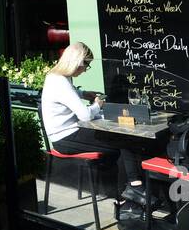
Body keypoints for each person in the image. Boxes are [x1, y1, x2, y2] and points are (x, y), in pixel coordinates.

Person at [40, 42, 139, 196]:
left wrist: (84, 93)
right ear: (77, 61)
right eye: (86, 65)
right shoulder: (60, 82)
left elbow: (68, 94)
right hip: (66, 137)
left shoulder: (56, 77)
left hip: (63, 135)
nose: (85, 70)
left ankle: (119, 192)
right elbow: (85, 115)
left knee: (114, 149)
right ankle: (135, 188)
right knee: (122, 140)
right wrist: (98, 104)